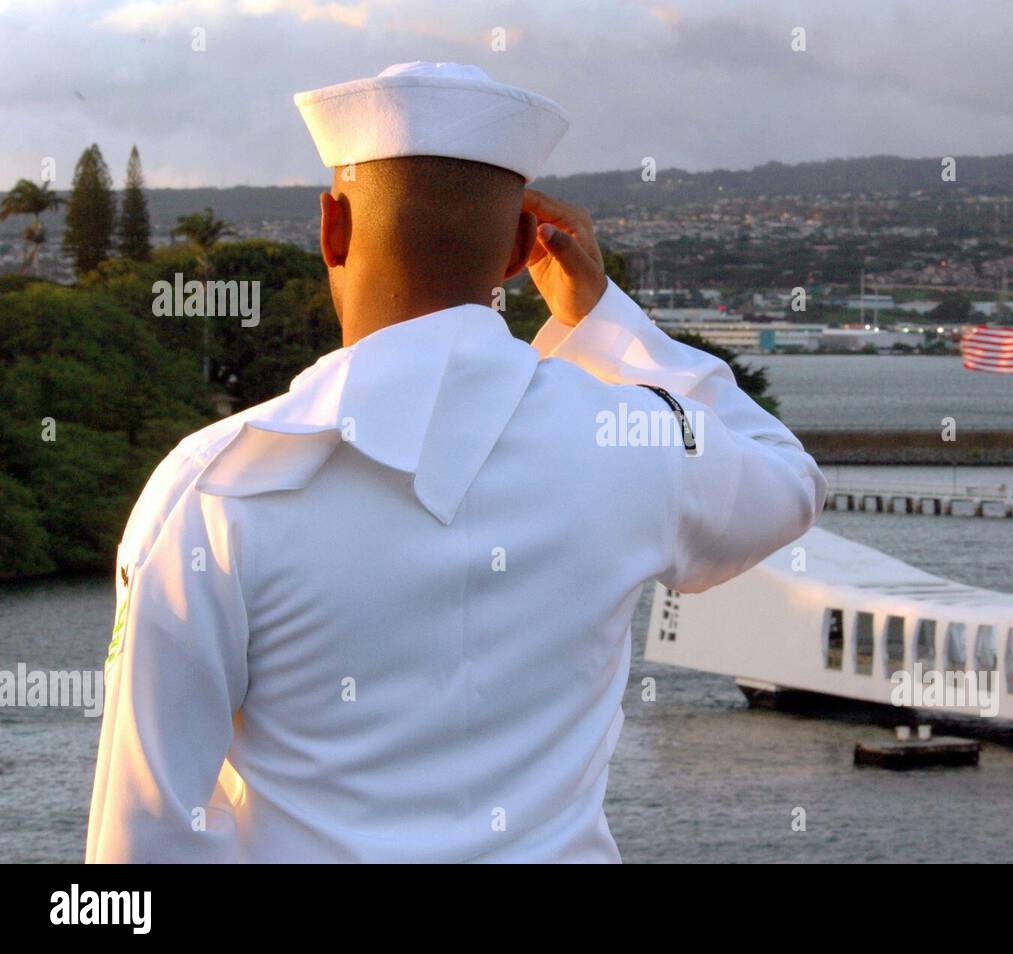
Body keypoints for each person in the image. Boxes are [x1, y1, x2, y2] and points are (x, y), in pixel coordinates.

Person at [86, 62, 826, 863]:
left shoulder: (216, 490)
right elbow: (787, 479)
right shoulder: (631, 446)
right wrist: (603, 317)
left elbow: (144, 839)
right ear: (518, 252)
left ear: (331, 227)